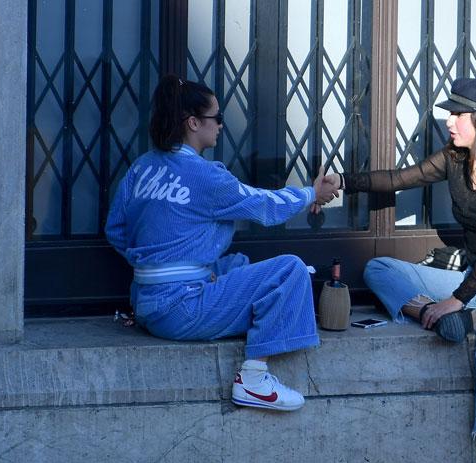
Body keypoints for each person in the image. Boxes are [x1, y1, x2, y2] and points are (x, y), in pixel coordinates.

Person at [326, 78, 476, 463]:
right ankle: (433, 313)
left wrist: (457, 299)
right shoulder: (452, 160)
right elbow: (397, 178)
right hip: (470, 280)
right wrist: (342, 182)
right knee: (379, 268)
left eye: (457, 115)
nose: (449, 121)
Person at [106, 74, 338, 411]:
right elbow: (263, 205)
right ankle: (255, 379)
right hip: (181, 308)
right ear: (193, 122)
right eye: (217, 118)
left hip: (145, 302)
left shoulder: (142, 168)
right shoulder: (205, 175)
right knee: (289, 270)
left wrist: (156, 265)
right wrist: (311, 194)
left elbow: (115, 230)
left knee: (236, 264)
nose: (221, 126)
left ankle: (198, 287)